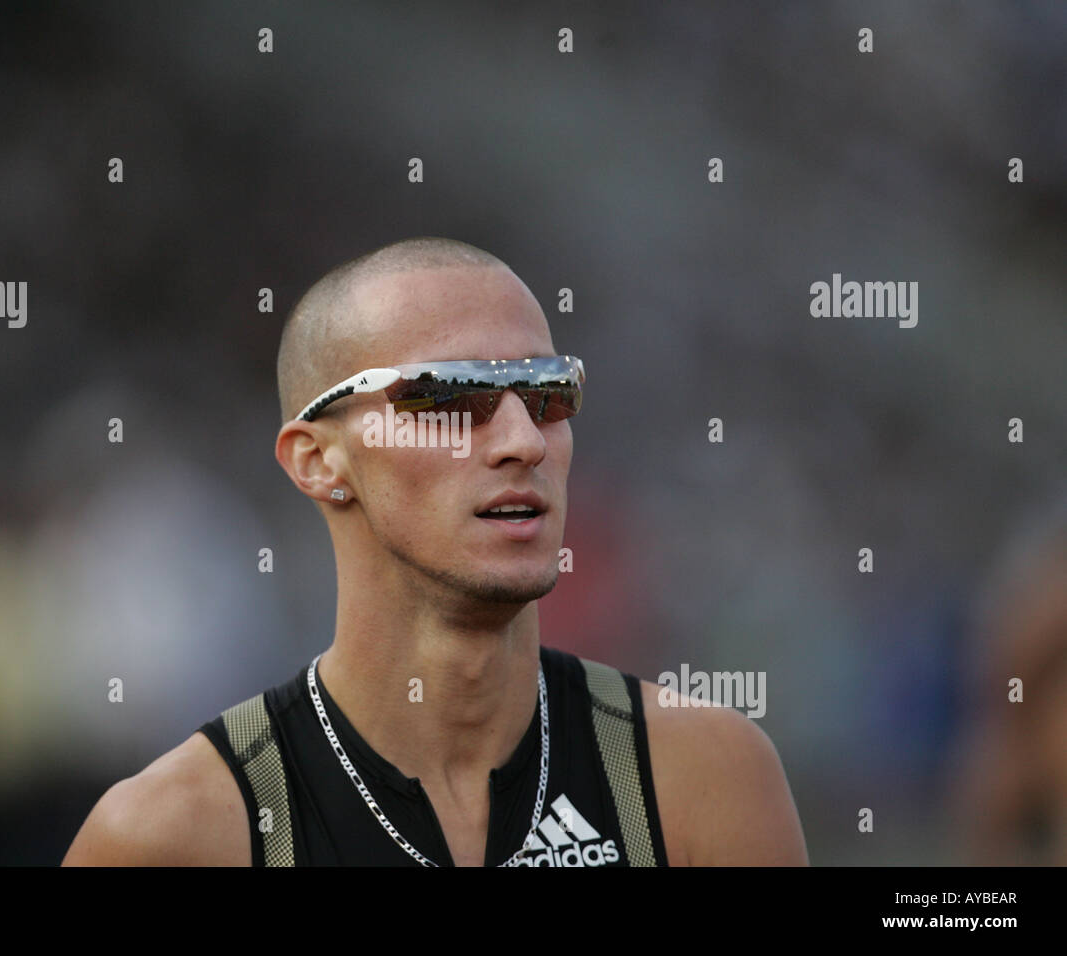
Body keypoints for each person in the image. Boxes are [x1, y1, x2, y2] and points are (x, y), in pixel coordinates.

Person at [63, 236, 809, 866]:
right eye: (452, 396)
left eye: (548, 392)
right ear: (318, 461)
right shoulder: (177, 834)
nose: (523, 440)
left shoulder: (700, 777)